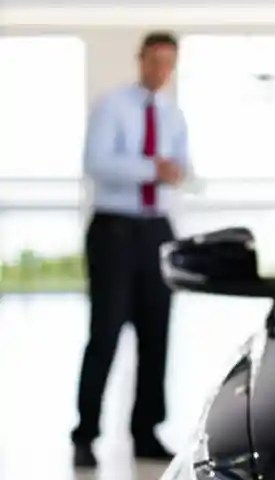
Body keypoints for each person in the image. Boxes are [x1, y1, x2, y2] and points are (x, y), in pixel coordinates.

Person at [72, 31, 190, 468]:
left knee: (156, 334)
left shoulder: (173, 113)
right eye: (155, 61)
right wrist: (151, 169)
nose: (160, 70)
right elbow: (97, 163)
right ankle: (85, 434)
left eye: (168, 63)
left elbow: (183, 167)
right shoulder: (112, 105)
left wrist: (171, 172)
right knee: (105, 332)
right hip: (114, 230)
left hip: (157, 229)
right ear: (141, 59)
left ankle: (146, 431)